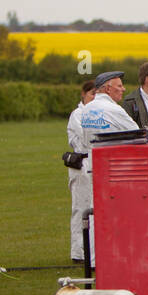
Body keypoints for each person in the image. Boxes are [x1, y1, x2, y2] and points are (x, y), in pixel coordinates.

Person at [65, 79, 96, 263]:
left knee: (94, 208)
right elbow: (88, 138)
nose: (94, 98)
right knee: (80, 207)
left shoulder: (96, 113)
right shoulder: (77, 114)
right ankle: (78, 252)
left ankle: (91, 248)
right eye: (91, 94)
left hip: (95, 163)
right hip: (82, 164)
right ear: (83, 95)